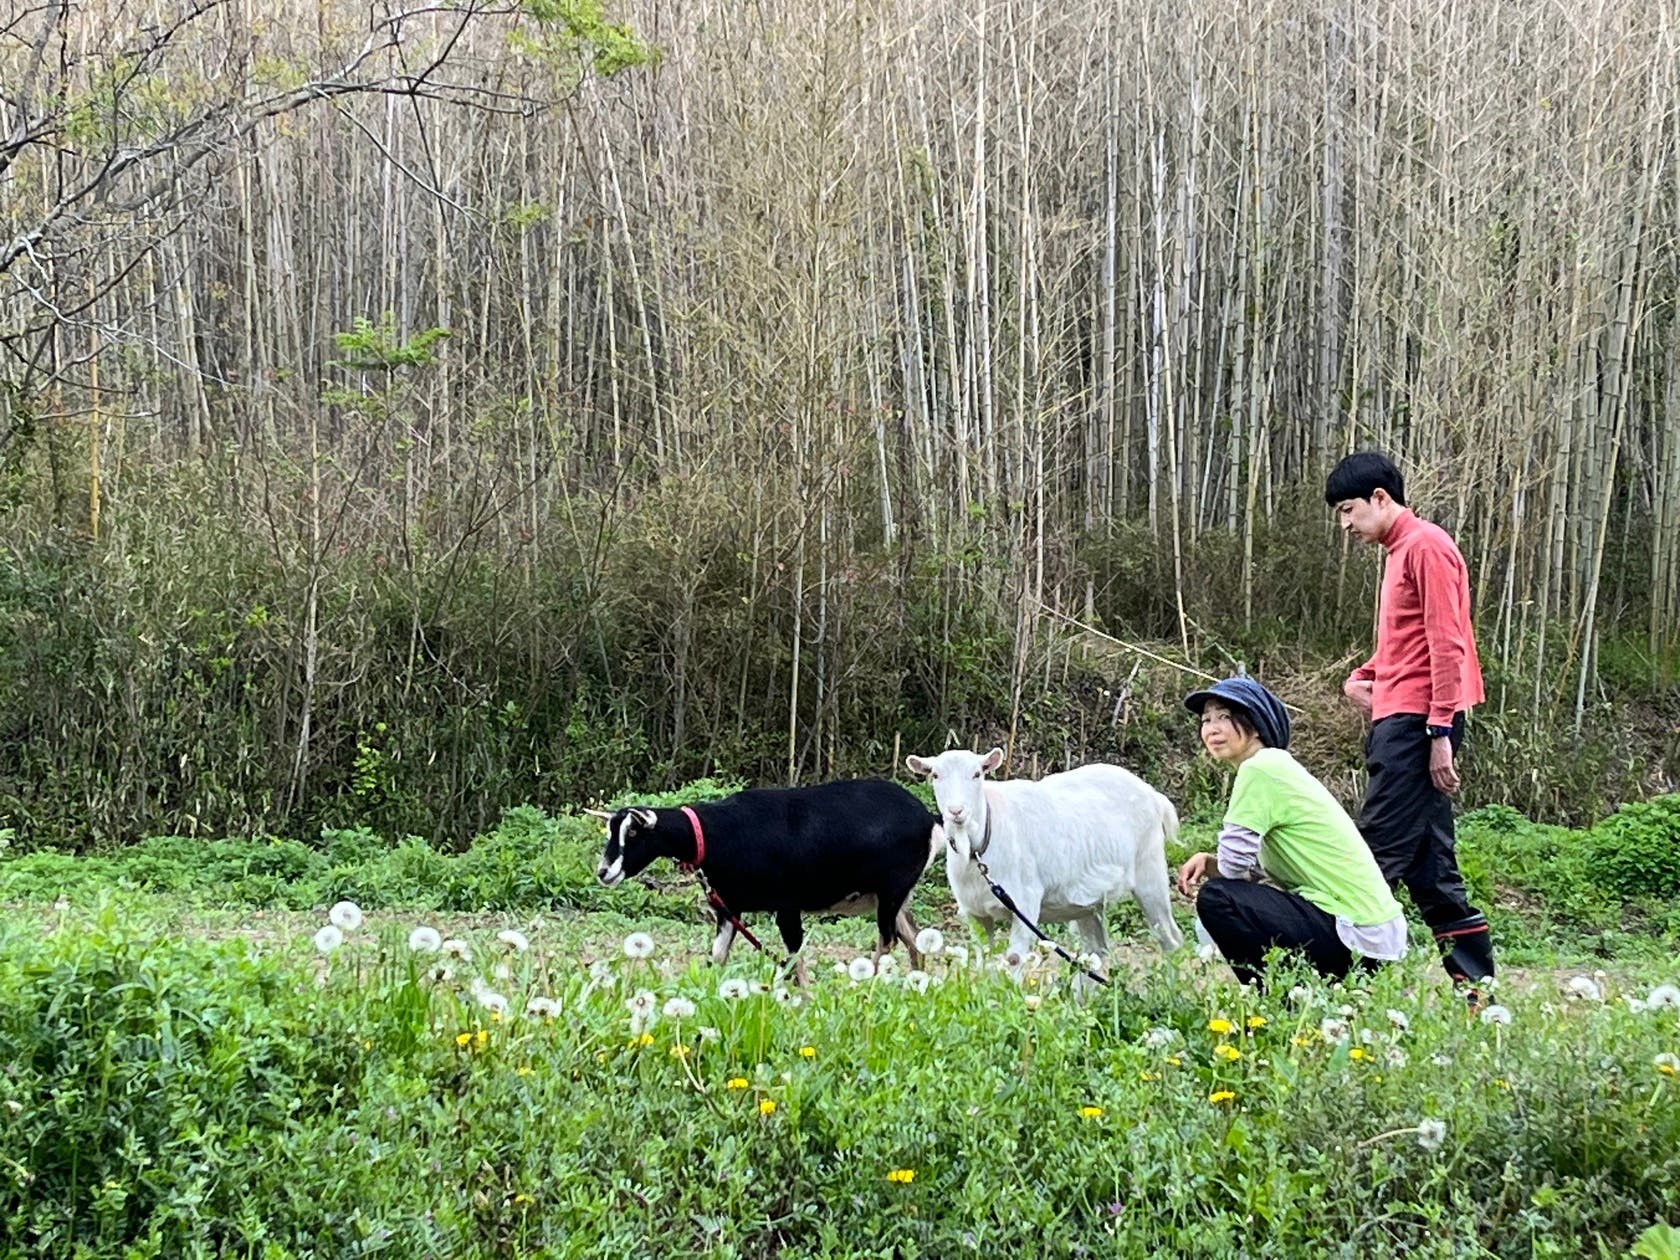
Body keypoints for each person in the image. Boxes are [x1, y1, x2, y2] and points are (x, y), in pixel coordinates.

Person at [1324, 450, 1495, 990]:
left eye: (1350, 510)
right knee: (1431, 867)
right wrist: (1363, 674)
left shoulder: (1426, 546)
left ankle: (1342, 980)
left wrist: (1440, 731)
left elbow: (1449, 643)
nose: (1346, 524)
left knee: (1373, 852)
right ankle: (1478, 989)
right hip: (1403, 714)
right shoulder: (1398, 550)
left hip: (1418, 723)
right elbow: (1408, 643)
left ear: (1380, 498)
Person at [1177, 676, 1408, 986]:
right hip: (1374, 935)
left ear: (1255, 725)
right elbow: (1252, 872)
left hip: (1355, 934)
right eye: (1206, 720)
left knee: (1219, 898)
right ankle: (1299, 993)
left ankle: (1275, 1000)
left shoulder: (1259, 769)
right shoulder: (1277, 767)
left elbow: (1233, 871)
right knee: (1231, 895)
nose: (1212, 728)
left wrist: (1216, 867)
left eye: (1225, 717)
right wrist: (1209, 861)